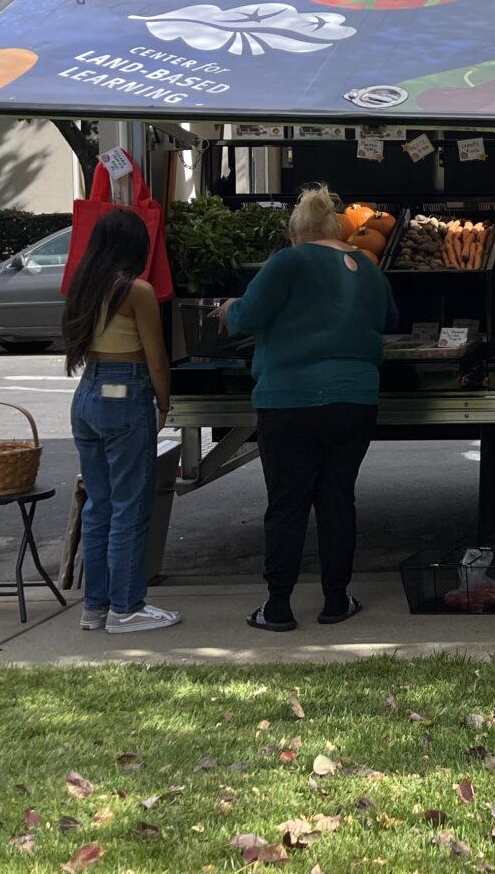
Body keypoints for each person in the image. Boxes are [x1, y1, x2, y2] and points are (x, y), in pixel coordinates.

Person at [214, 184, 396, 631]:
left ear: (296, 231)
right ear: (338, 229)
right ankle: (336, 600)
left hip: (289, 400)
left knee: (288, 503)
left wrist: (229, 308)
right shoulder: (369, 268)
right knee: (337, 500)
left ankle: (278, 605)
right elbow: (389, 320)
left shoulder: (287, 262)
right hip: (355, 399)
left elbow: (245, 319)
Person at [62, 206, 179, 634]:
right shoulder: (137, 291)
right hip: (125, 392)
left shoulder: (83, 284)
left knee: (100, 506)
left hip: (89, 391)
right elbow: (156, 357)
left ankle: (96, 607)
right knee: (130, 506)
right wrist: (164, 402)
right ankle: (127, 608)